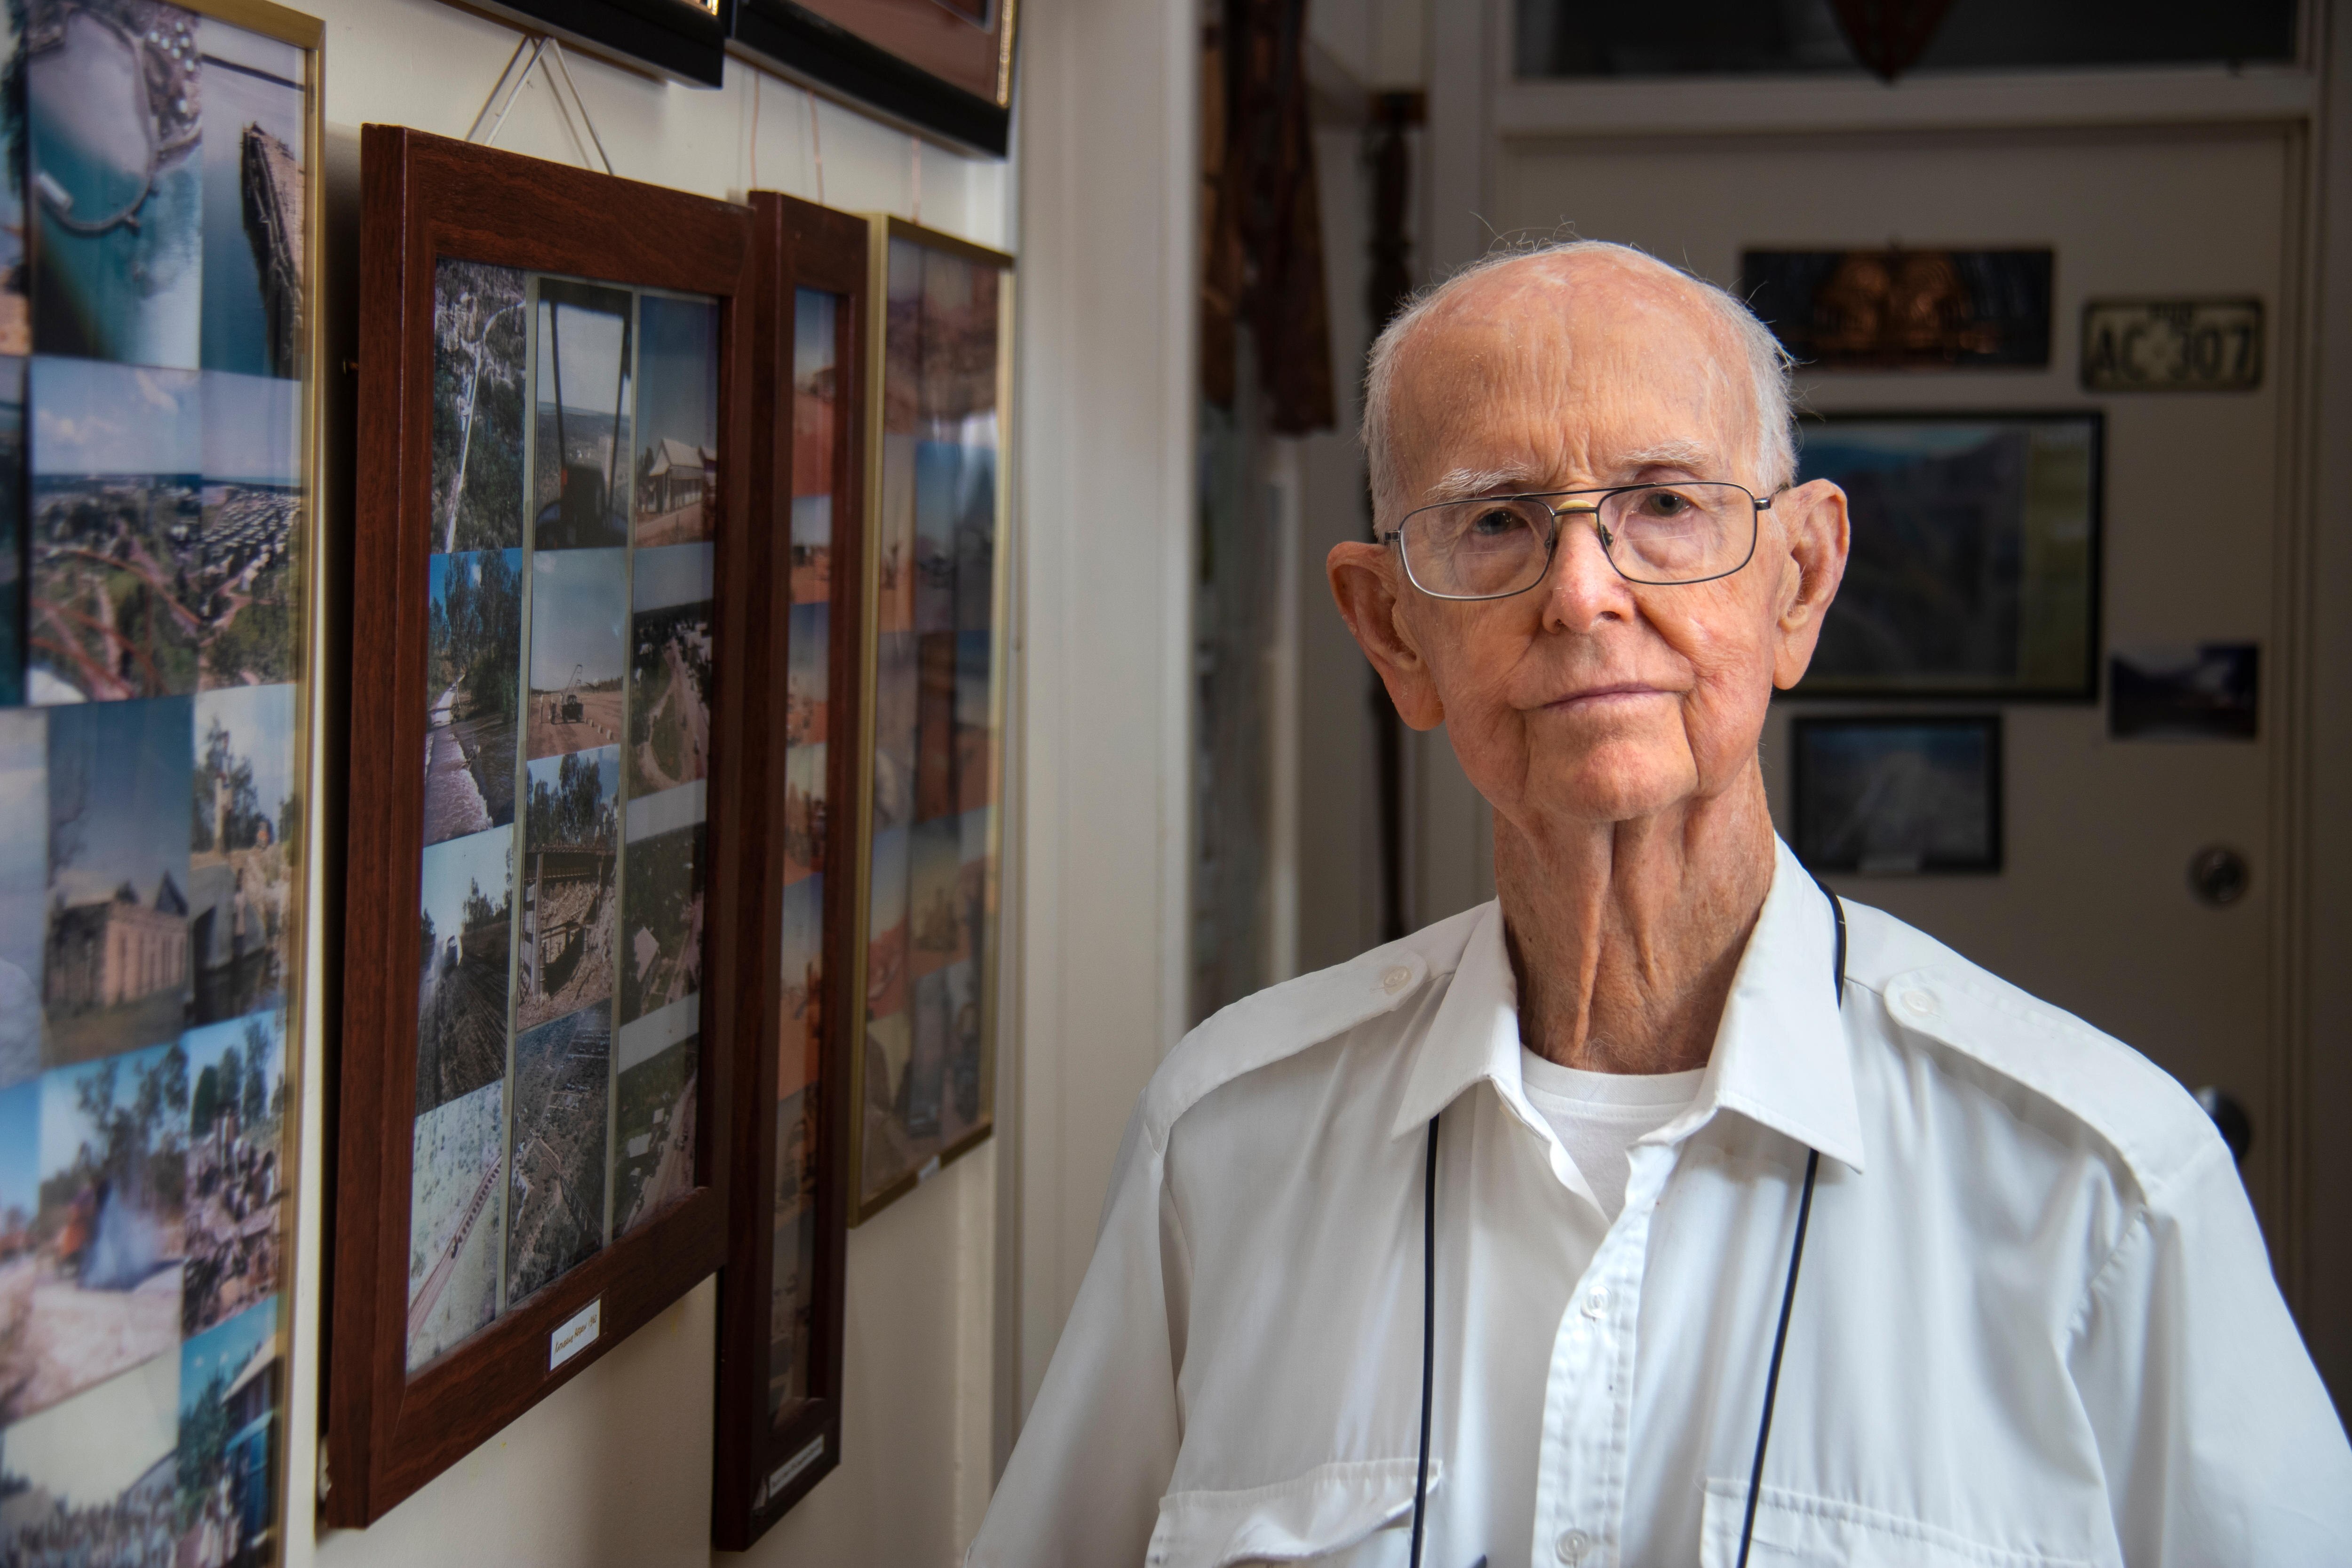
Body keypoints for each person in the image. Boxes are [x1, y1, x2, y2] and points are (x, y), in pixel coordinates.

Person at [966, 242, 2352, 1567]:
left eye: (1667, 508)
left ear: (1798, 582)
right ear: (1395, 631)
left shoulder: (2102, 1189)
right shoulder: (1226, 1143)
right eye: (1498, 521)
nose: (1583, 593)